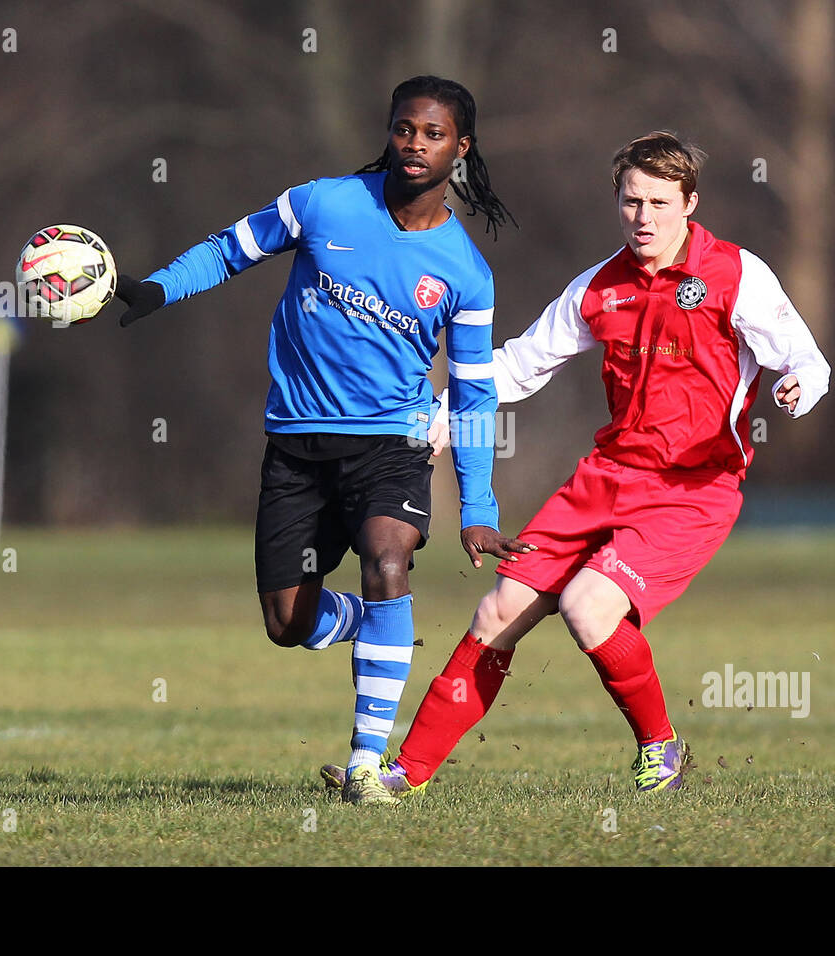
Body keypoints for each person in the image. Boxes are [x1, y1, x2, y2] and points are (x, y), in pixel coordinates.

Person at [323, 130, 830, 795]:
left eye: (658, 202)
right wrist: (441, 417)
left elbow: (806, 358)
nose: (643, 217)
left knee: (589, 608)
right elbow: (520, 365)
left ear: (690, 204)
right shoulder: (600, 288)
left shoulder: (736, 274)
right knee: (496, 612)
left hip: (693, 490)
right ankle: (401, 778)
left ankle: (662, 750)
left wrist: (799, 387)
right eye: (630, 201)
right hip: (607, 477)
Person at [109, 76, 531, 805]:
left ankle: (367, 766)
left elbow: (472, 392)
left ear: (461, 149)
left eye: (433, 135)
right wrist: (154, 289)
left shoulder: (466, 271)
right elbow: (227, 251)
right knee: (286, 623)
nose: (414, 145)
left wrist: (478, 506)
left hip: (390, 446)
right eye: (404, 128)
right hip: (297, 446)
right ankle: (374, 627)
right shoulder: (322, 202)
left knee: (387, 556)